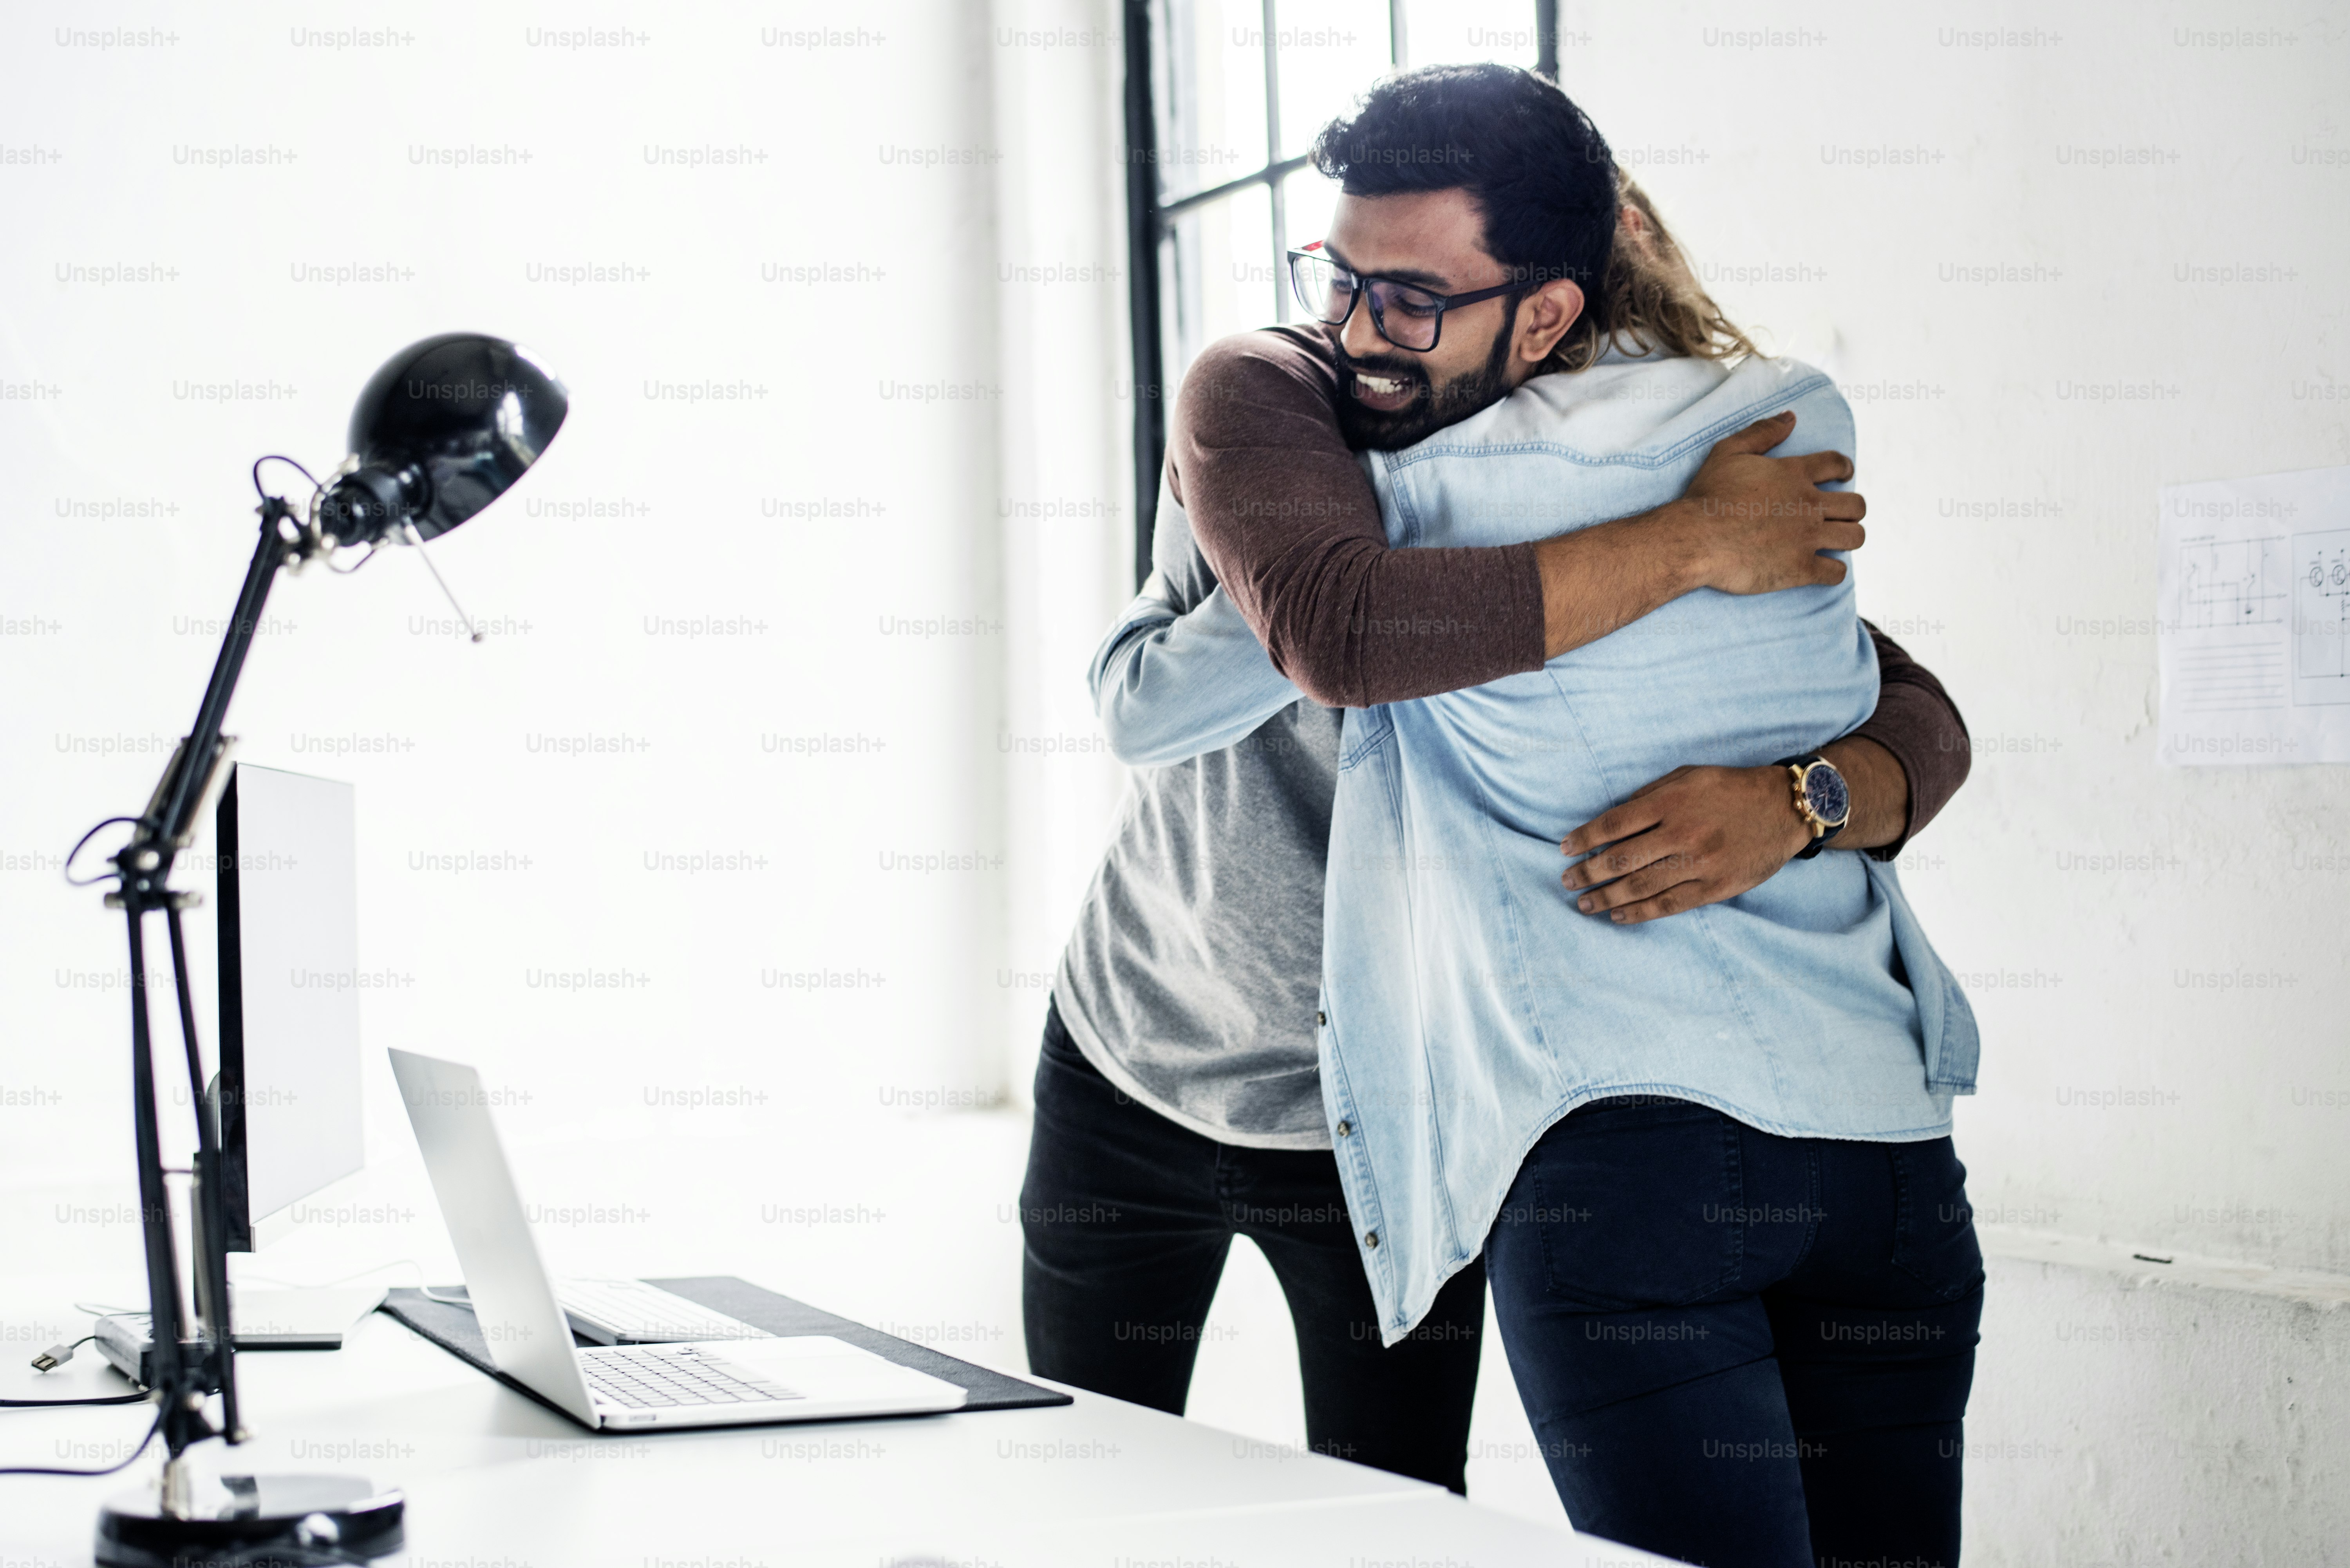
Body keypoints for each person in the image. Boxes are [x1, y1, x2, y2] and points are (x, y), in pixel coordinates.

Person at [1020, 83, 1974, 1519]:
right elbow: (1232, 670)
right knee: (1074, 1494)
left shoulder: (1584, 458)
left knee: (1393, 1510)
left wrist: (1804, 799)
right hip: (1139, 1040)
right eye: (1339, 277)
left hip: (1382, 1097)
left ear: (1547, 312)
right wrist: (1671, 543)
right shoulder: (1274, 395)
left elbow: (1905, 701)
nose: (1356, 330)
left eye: (1409, 300)